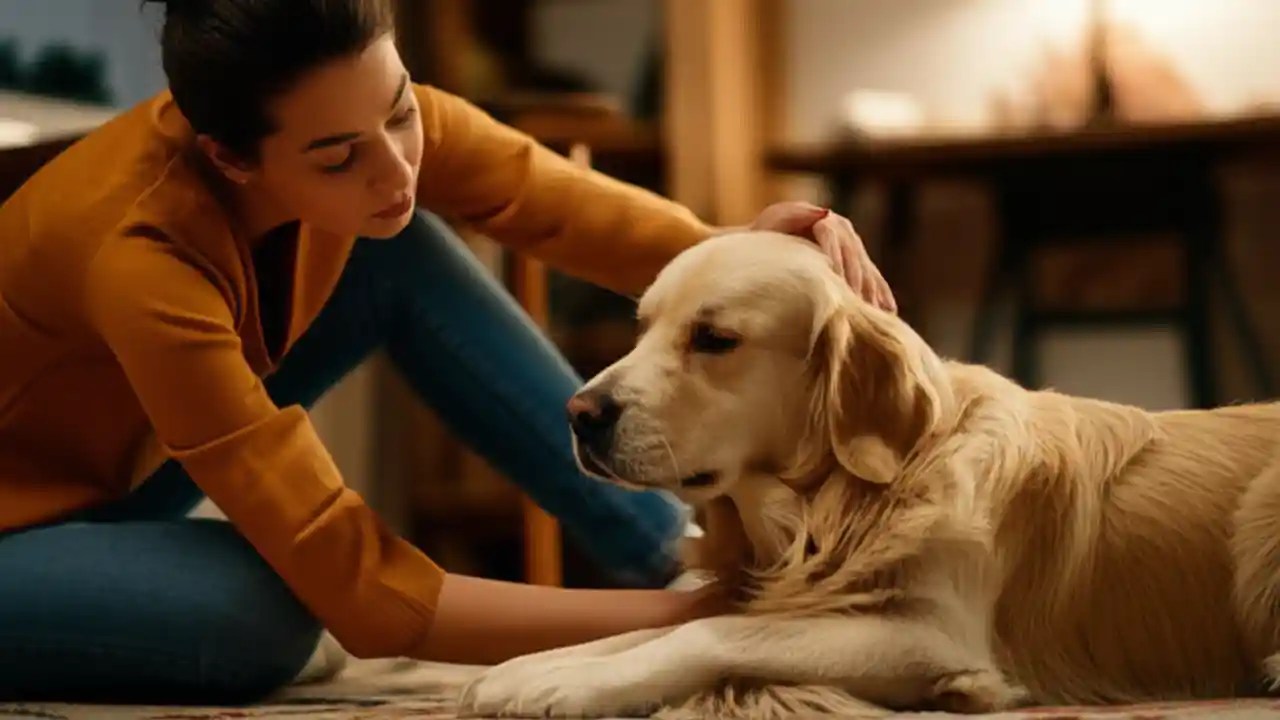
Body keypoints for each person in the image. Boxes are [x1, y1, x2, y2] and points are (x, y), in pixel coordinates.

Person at [0, 0, 895, 705]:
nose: (395, 169)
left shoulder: (355, 124)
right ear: (231, 161)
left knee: (398, 246)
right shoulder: (141, 260)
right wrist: (700, 622)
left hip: (111, 479)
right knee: (266, 613)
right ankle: (687, 587)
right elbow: (364, 593)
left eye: (400, 111)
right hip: (16, 528)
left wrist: (754, 253)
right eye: (339, 158)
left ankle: (668, 547)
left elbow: (566, 208)